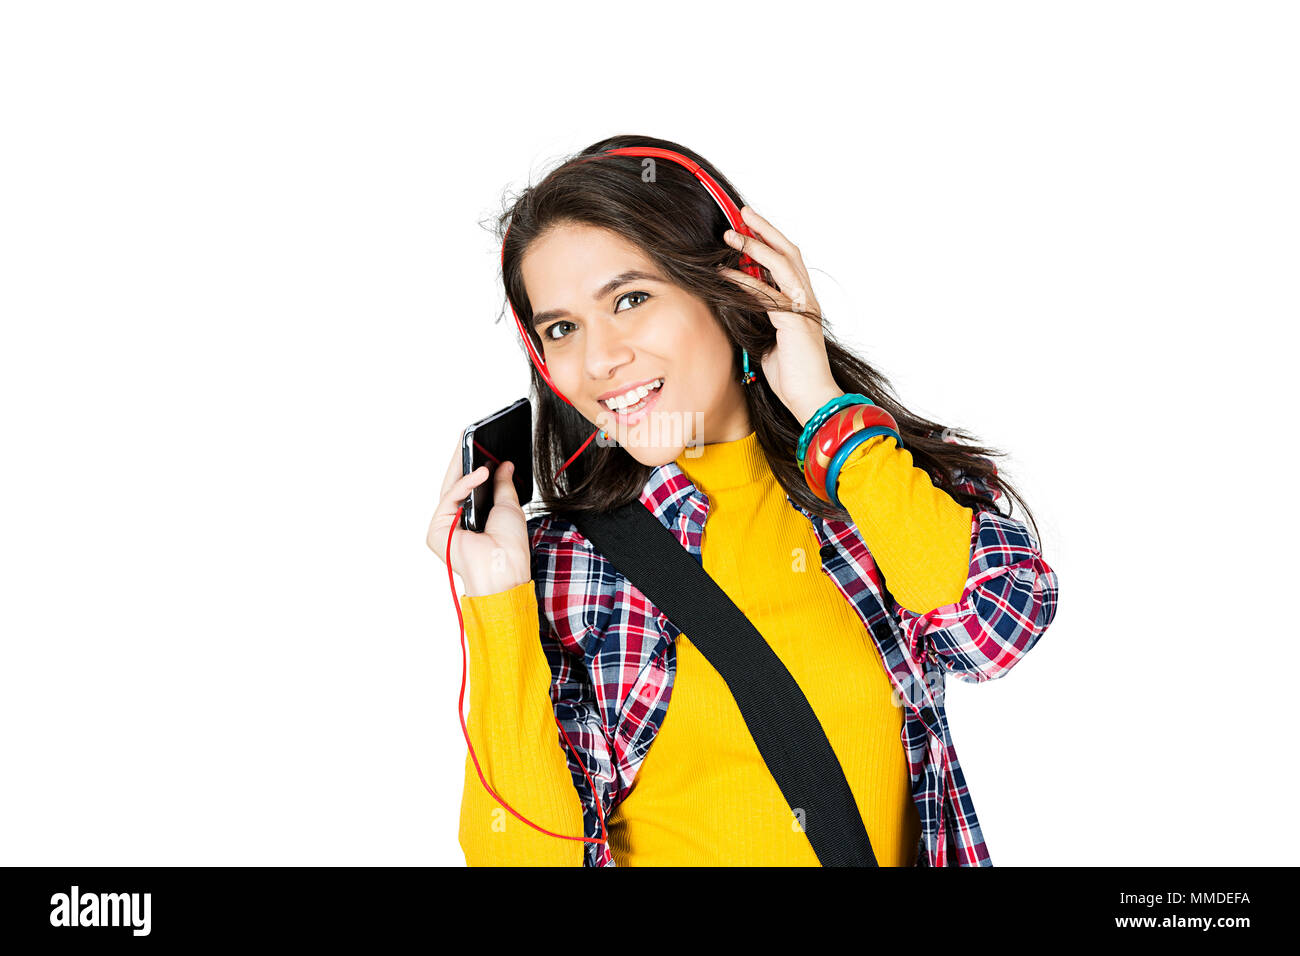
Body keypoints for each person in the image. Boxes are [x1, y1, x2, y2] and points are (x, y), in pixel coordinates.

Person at [427, 134, 1060, 866]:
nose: (599, 359)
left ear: (735, 287)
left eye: (631, 299)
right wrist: (498, 605)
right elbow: (524, 858)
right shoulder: (567, 569)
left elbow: (995, 631)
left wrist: (824, 407)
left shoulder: (870, 495)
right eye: (562, 329)